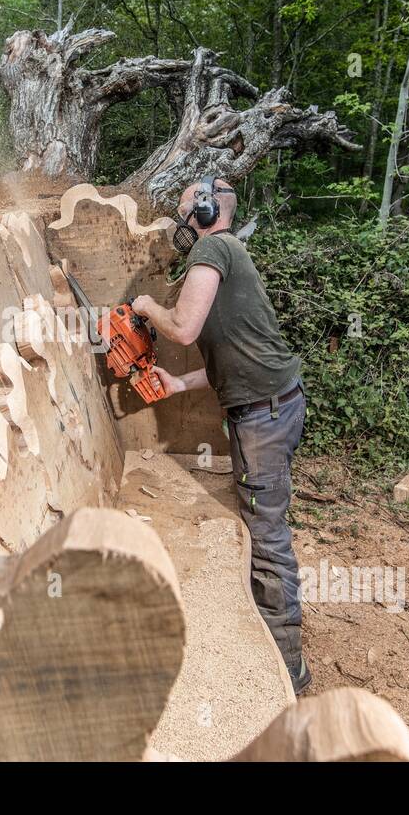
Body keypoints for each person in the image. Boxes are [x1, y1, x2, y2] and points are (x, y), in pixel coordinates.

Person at [129, 175, 311, 694]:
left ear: (206, 212)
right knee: (260, 517)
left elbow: (183, 329)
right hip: (270, 403)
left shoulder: (213, 247)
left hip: (264, 415)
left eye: (186, 209)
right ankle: (268, 627)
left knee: (267, 535)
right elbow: (230, 358)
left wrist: (146, 308)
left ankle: (285, 666)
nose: (182, 222)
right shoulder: (229, 256)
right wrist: (178, 381)